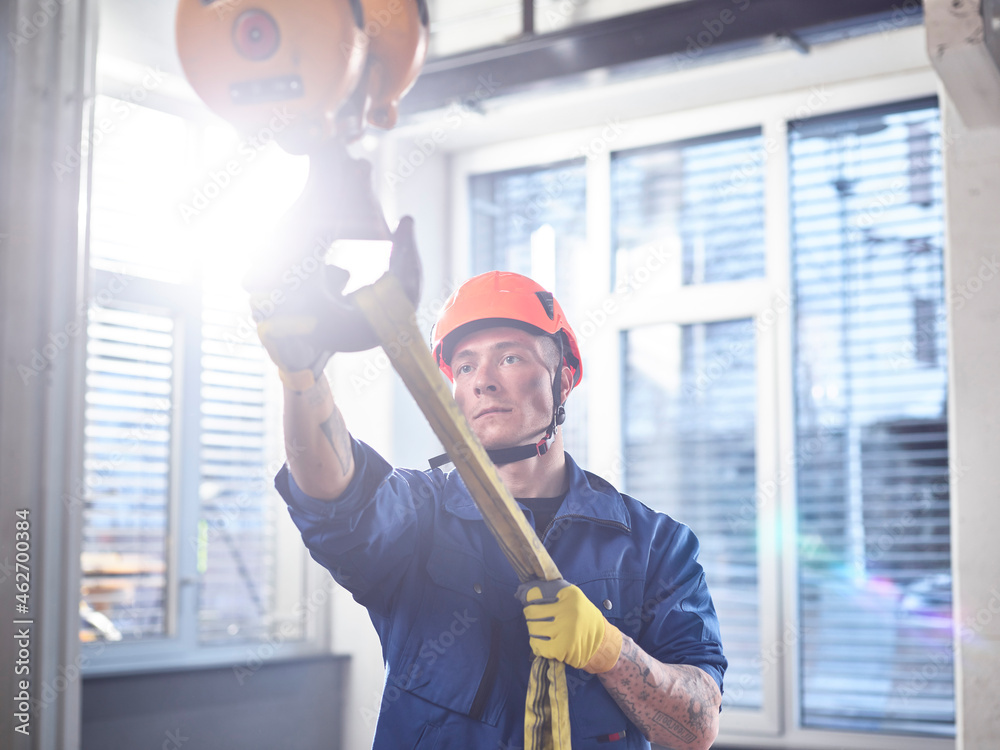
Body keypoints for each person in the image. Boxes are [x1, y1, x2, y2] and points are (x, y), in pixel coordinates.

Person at [258, 266, 727, 749]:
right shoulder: (419, 518)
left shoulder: (655, 546)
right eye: (464, 366)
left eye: (509, 358)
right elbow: (333, 494)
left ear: (563, 381)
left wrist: (610, 650)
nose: (482, 380)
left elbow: (695, 730)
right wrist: (302, 378)